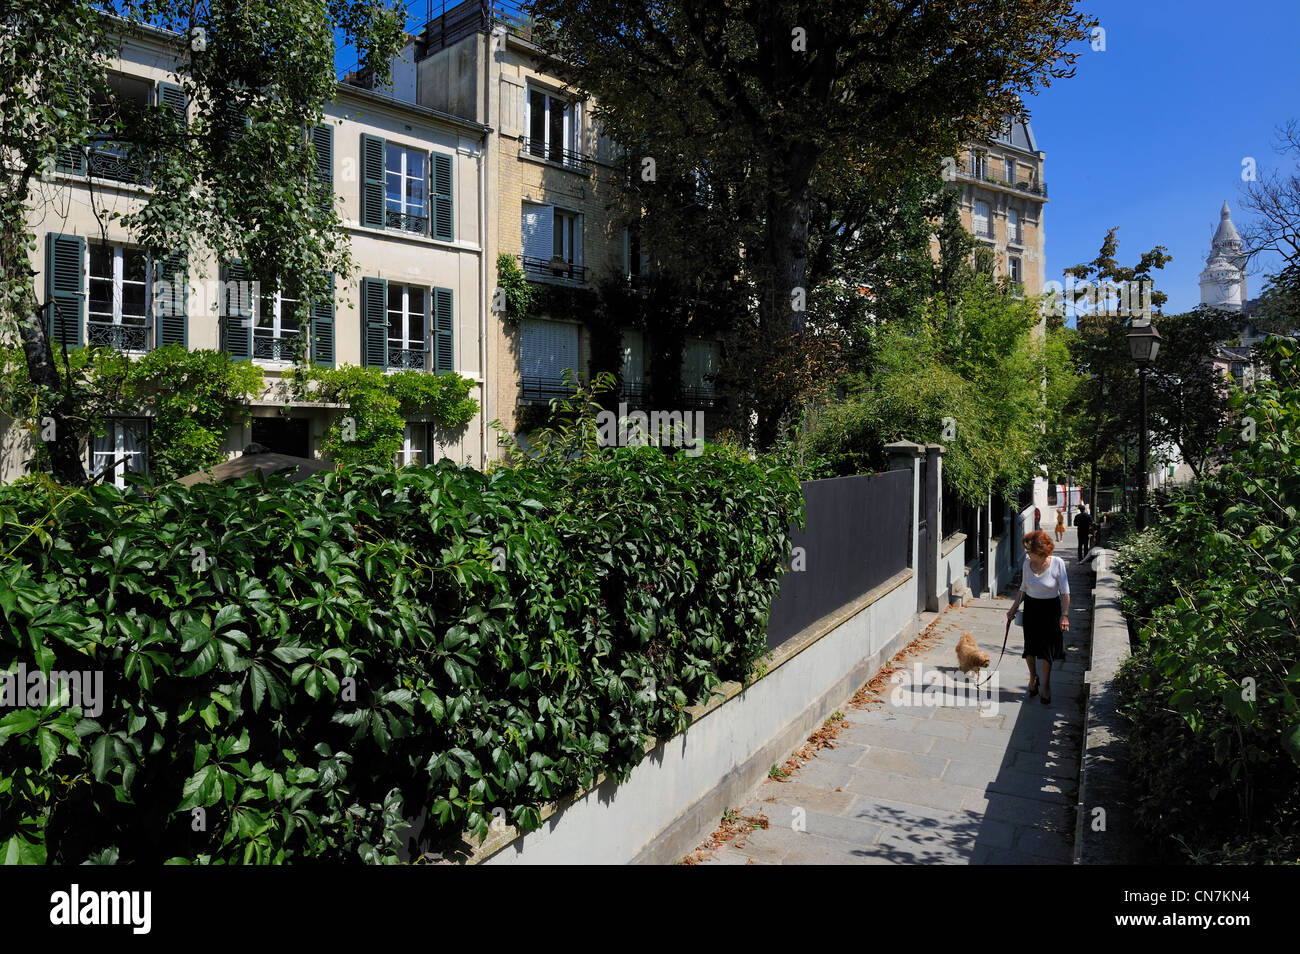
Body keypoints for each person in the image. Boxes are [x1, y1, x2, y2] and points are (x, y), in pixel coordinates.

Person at [1005, 529, 1070, 705]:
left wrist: (1064, 615)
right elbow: (1023, 588)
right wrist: (1013, 609)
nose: (1027, 554)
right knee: (1030, 647)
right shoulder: (1027, 564)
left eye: (1029, 551)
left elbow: (1065, 592)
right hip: (1032, 609)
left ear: (1041, 551)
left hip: (1051, 610)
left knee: (1047, 649)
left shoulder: (1057, 564)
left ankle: (1046, 685)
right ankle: (1033, 677)